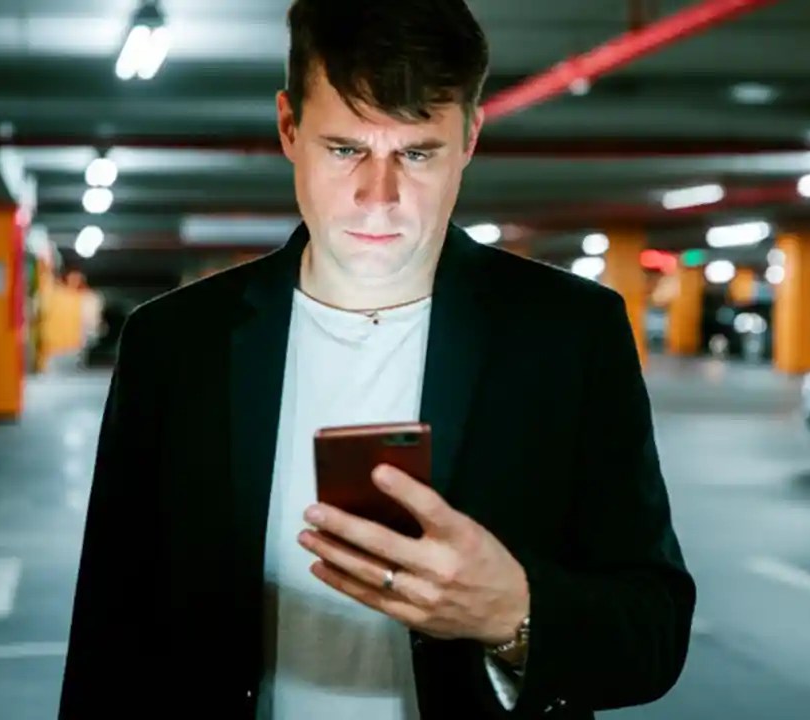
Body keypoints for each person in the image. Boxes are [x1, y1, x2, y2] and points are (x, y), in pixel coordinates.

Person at [56, 0, 695, 718]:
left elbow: (655, 630)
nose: (378, 197)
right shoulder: (175, 345)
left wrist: (513, 614)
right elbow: (109, 633)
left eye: (416, 153)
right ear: (289, 128)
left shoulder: (569, 334)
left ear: (470, 139)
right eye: (345, 149)